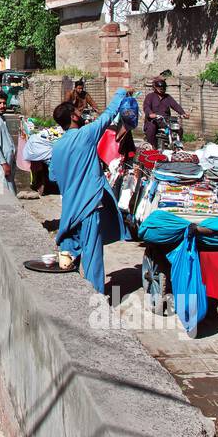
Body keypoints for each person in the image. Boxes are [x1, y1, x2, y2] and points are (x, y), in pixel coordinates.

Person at [49, 89, 132, 290]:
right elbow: (108, 115)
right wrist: (121, 92)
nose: (81, 113)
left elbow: (53, 176)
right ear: (74, 116)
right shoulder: (85, 135)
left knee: (68, 254)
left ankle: (67, 292)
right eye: (78, 111)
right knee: (92, 255)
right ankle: (94, 297)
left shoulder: (57, 147)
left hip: (69, 210)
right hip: (88, 208)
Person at [142, 78, 187, 147]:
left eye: (163, 87)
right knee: (151, 128)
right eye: (159, 87)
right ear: (155, 88)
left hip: (165, 121)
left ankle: (177, 145)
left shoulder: (168, 97)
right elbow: (146, 107)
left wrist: (183, 113)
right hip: (153, 120)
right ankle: (152, 146)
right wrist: (150, 114)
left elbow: (175, 105)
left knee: (179, 129)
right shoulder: (150, 96)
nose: (162, 89)